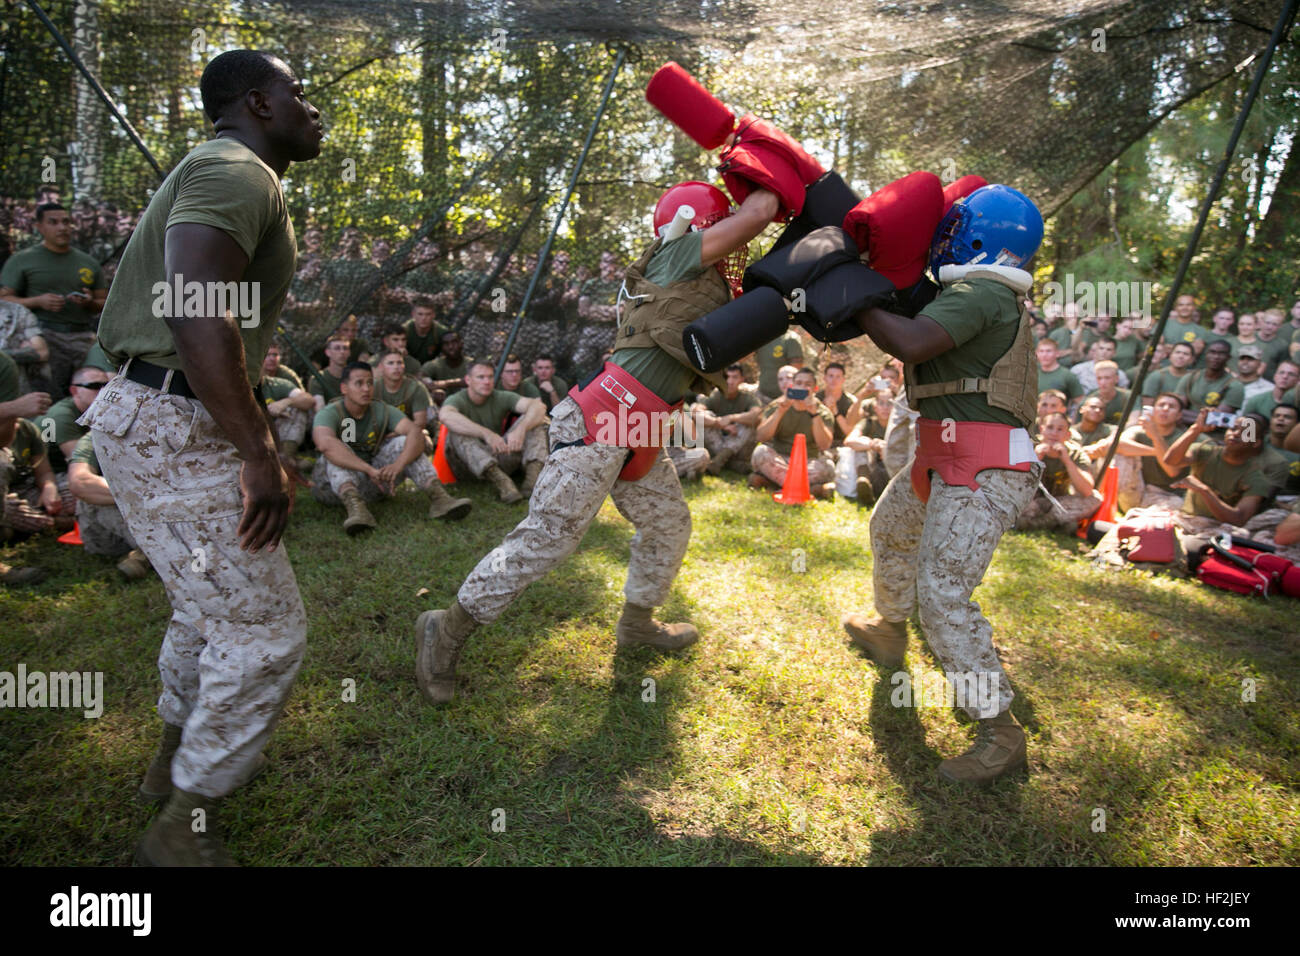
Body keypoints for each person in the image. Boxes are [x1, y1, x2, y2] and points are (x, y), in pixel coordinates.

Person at [78, 49, 323, 866]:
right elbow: (194, 309)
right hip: (173, 420)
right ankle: (182, 832)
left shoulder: (227, 168)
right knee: (264, 629)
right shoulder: (236, 170)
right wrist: (257, 450)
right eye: (299, 93)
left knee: (205, 607)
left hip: (153, 411)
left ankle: (169, 764)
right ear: (258, 102)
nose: (311, 107)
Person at [414, 183, 780, 706]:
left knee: (667, 521)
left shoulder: (701, 283)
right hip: (603, 423)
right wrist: (777, 184)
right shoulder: (674, 254)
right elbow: (761, 212)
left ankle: (638, 622)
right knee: (549, 537)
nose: (734, 246)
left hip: (644, 428)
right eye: (719, 223)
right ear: (694, 225)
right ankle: (444, 632)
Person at [840, 184, 1045, 785]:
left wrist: (854, 294)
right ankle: (889, 628)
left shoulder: (985, 289)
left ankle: (1001, 733)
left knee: (945, 593)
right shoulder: (968, 291)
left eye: (955, 227)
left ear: (980, 236)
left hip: (983, 467)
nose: (943, 236)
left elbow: (907, 340)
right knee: (891, 529)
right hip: (945, 455)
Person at [310, 362, 470, 531]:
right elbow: (324, 443)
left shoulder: (382, 409)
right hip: (332, 489)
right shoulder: (330, 412)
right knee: (336, 449)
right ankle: (356, 510)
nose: (366, 389)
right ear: (344, 388)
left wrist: (397, 465)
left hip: (374, 484)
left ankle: (440, 498)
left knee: (404, 442)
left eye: (370, 383)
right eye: (359, 383)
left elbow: (415, 433)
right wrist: (368, 469)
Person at [0, 203, 107, 399]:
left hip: (83, 337)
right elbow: (4, 299)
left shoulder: (87, 262)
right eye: (54, 222)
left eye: (66, 222)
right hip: (45, 336)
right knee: (49, 395)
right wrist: (38, 301)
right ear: (39, 226)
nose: (62, 227)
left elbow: (104, 301)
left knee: (90, 393)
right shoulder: (22, 260)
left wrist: (89, 302)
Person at [438, 361, 548, 502]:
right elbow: (446, 415)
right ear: (468, 380)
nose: (487, 381)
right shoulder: (457, 399)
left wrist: (522, 428)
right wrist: (486, 434)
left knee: (538, 420)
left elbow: (538, 407)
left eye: (490, 377)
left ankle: (532, 480)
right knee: (456, 431)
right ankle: (503, 484)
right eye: (481, 377)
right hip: (467, 466)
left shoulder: (500, 396)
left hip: (498, 455)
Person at [1162, 410, 1270, 535]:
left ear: (1256, 442)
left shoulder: (1256, 478)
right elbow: (1170, 460)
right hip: (1185, 519)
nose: (1235, 434)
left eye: (1246, 432)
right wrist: (1195, 429)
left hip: (1218, 529)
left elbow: (1238, 520)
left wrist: (1203, 490)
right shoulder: (1205, 451)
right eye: (1233, 428)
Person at [66, 432, 151, 578]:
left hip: (157, 511)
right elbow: (80, 482)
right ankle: (153, 549)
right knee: (98, 494)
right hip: (106, 532)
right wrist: (147, 499)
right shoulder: (98, 435)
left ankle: (146, 554)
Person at [750, 366, 836, 498]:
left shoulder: (822, 412)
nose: (802, 388)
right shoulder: (778, 405)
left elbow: (824, 445)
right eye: (799, 383)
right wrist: (780, 412)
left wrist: (814, 415)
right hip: (780, 459)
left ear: (815, 389)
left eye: (807, 385)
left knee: (827, 467)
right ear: (792, 386)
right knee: (760, 452)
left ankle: (775, 484)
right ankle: (808, 489)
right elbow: (761, 436)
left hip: (807, 463)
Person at [1015, 412, 1100, 530]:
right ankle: (1059, 524)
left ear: (1068, 434)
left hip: (1060, 502)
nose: (1054, 433)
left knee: (1095, 498)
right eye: (1050, 428)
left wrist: (1067, 461)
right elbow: (1015, 482)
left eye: (1060, 429)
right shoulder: (1029, 446)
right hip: (1032, 500)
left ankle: (1039, 523)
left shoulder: (1076, 454)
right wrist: (1036, 458)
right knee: (1016, 500)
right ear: (1041, 429)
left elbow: (1087, 491)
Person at [1113, 392, 1188, 513]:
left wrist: (1155, 436)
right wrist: (1158, 452)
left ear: (1179, 415)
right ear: (1153, 410)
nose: (1165, 409)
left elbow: (1172, 471)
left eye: (1171, 407)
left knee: (1175, 506)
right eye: (1161, 405)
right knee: (1119, 455)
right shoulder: (1139, 431)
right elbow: (1118, 446)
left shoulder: (1183, 439)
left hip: (1167, 496)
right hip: (1137, 491)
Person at [37, 365, 110, 472]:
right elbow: (82, 461)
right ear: (74, 390)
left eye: (107, 386)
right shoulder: (62, 416)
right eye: (95, 386)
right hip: (52, 473)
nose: (102, 391)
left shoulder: (101, 411)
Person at [696, 363, 761, 475]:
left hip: (738, 446)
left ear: (742, 379)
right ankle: (731, 463)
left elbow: (757, 416)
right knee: (705, 416)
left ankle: (718, 461)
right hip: (717, 443)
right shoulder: (715, 395)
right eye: (727, 377)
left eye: (735, 377)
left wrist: (732, 418)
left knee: (749, 422)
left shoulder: (748, 397)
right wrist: (719, 423)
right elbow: (696, 413)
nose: (730, 381)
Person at [1176, 339, 1243, 423]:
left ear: (1228, 357)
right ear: (1206, 355)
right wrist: (1205, 418)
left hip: (1212, 433)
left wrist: (1181, 415)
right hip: (1183, 427)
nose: (1216, 357)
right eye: (1212, 352)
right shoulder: (1191, 377)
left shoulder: (1235, 385)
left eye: (1221, 354)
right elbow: (1176, 409)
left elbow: (1218, 420)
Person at [419, 329, 471, 401]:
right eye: (446, 344)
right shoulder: (435, 365)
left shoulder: (472, 364)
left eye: (454, 342)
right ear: (441, 348)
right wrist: (433, 390)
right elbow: (419, 379)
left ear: (461, 344)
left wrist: (445, 384)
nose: (451, 347)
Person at [816, 362, 861, 445]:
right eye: (831, 376)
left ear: (843, 379)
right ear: (824, 378)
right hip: (818, 443)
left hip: (842, 444)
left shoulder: (851, 402)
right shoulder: (815, 399)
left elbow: (850, 432)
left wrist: (835, 412)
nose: (834, 380)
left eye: (838, 377)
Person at [754, 329, 803, 403]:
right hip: (762, 396)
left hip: (785, 399)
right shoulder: (759, 337)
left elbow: (796, 371)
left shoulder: (790, 339)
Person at [1035, 337, 1083, 404]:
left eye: (1048, 351)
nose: (1044, 355)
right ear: (1036, 353)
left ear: (1057, 353)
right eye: (1041, 351)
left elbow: (1080, 401)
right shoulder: (1032, 374)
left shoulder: (1067, 375)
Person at [309, 333, 351, 407]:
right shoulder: (318, 379)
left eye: (345, 348)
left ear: (349, 353)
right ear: (328, 352)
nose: (342, 352)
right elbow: (320, 409)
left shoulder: (356, 377)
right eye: (337, 348)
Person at [403, 298, 445, 366]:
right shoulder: (404, 330)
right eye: (420, 314)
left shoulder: (441, 332)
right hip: (407, 366)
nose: (424, 318)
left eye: (428, 314)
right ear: (413, 314)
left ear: (433, 315)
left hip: (431, 367)